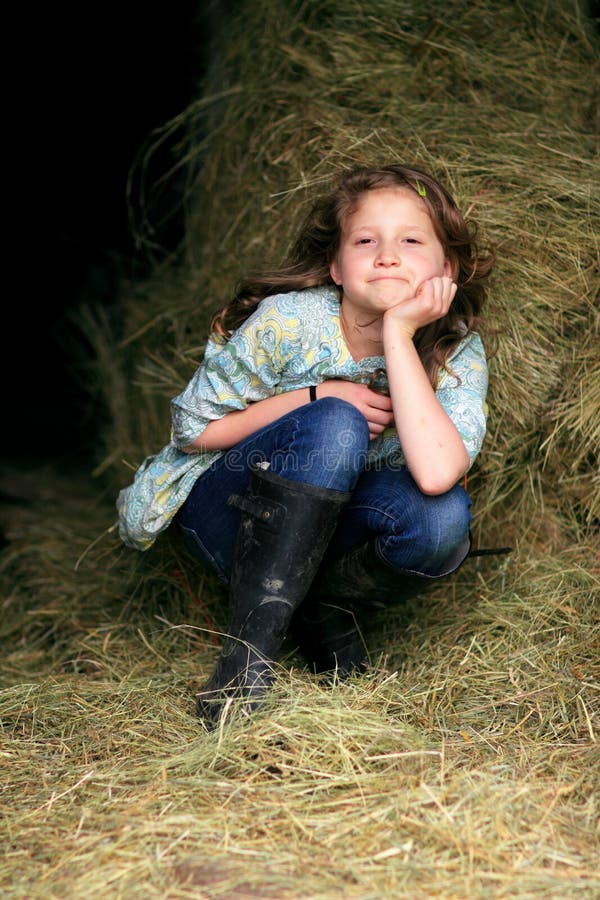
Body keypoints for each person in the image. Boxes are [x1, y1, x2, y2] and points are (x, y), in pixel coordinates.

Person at [116, 163, 494, 727]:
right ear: (338, 267)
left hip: (327, 526)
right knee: (336, 421)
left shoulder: (456, 351)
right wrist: (316, 396)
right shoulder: (288, 323)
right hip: (228, 511)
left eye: (411, 241)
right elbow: (193, 431)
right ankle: (245, 664)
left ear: (448, 269)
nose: (387, 255)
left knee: (441, 520)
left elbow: (438, 473)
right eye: (366, 241)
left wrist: (398, 334)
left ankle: (321, 611)